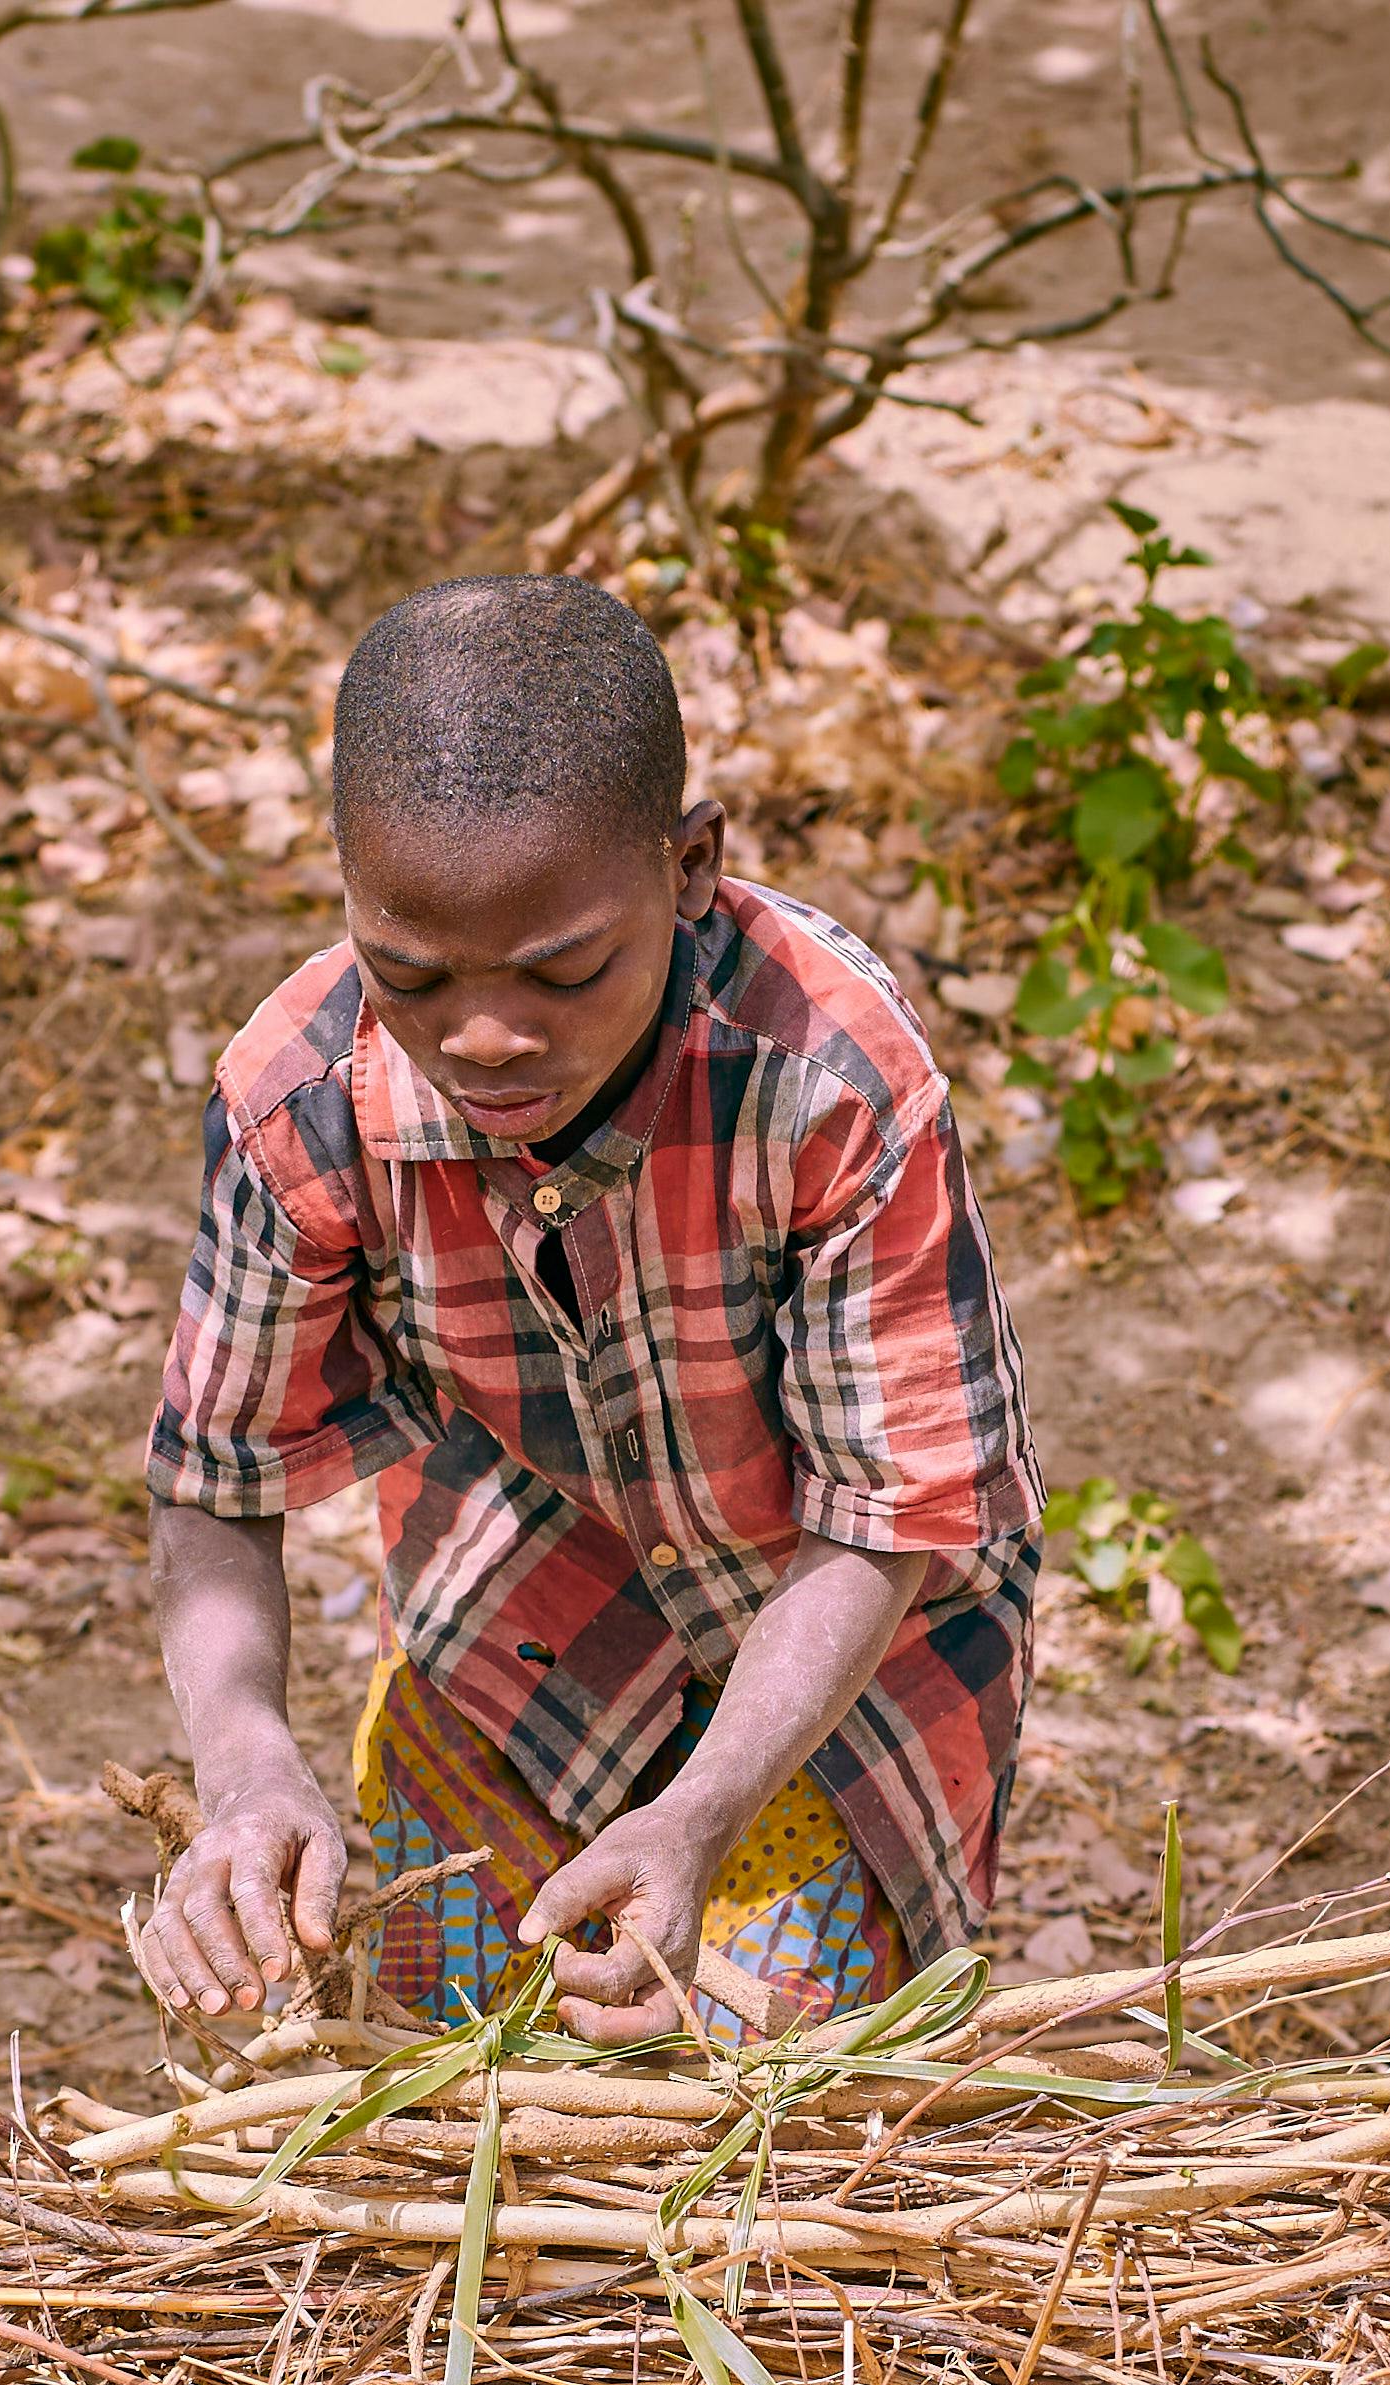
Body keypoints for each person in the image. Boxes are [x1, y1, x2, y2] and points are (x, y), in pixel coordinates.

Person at [137, 572, 1040, 2048]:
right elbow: (212, 1481)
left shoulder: (830, 1080)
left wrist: (698, 1817)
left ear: (689, 868)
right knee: (444, 2063)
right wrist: (247, 1772)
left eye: (565, 970)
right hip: (512, 1615)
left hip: (840, 1630)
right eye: (412, 971)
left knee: (750, 2084)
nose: (484, 1036)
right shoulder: (300, 1100)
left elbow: (892, 1514)